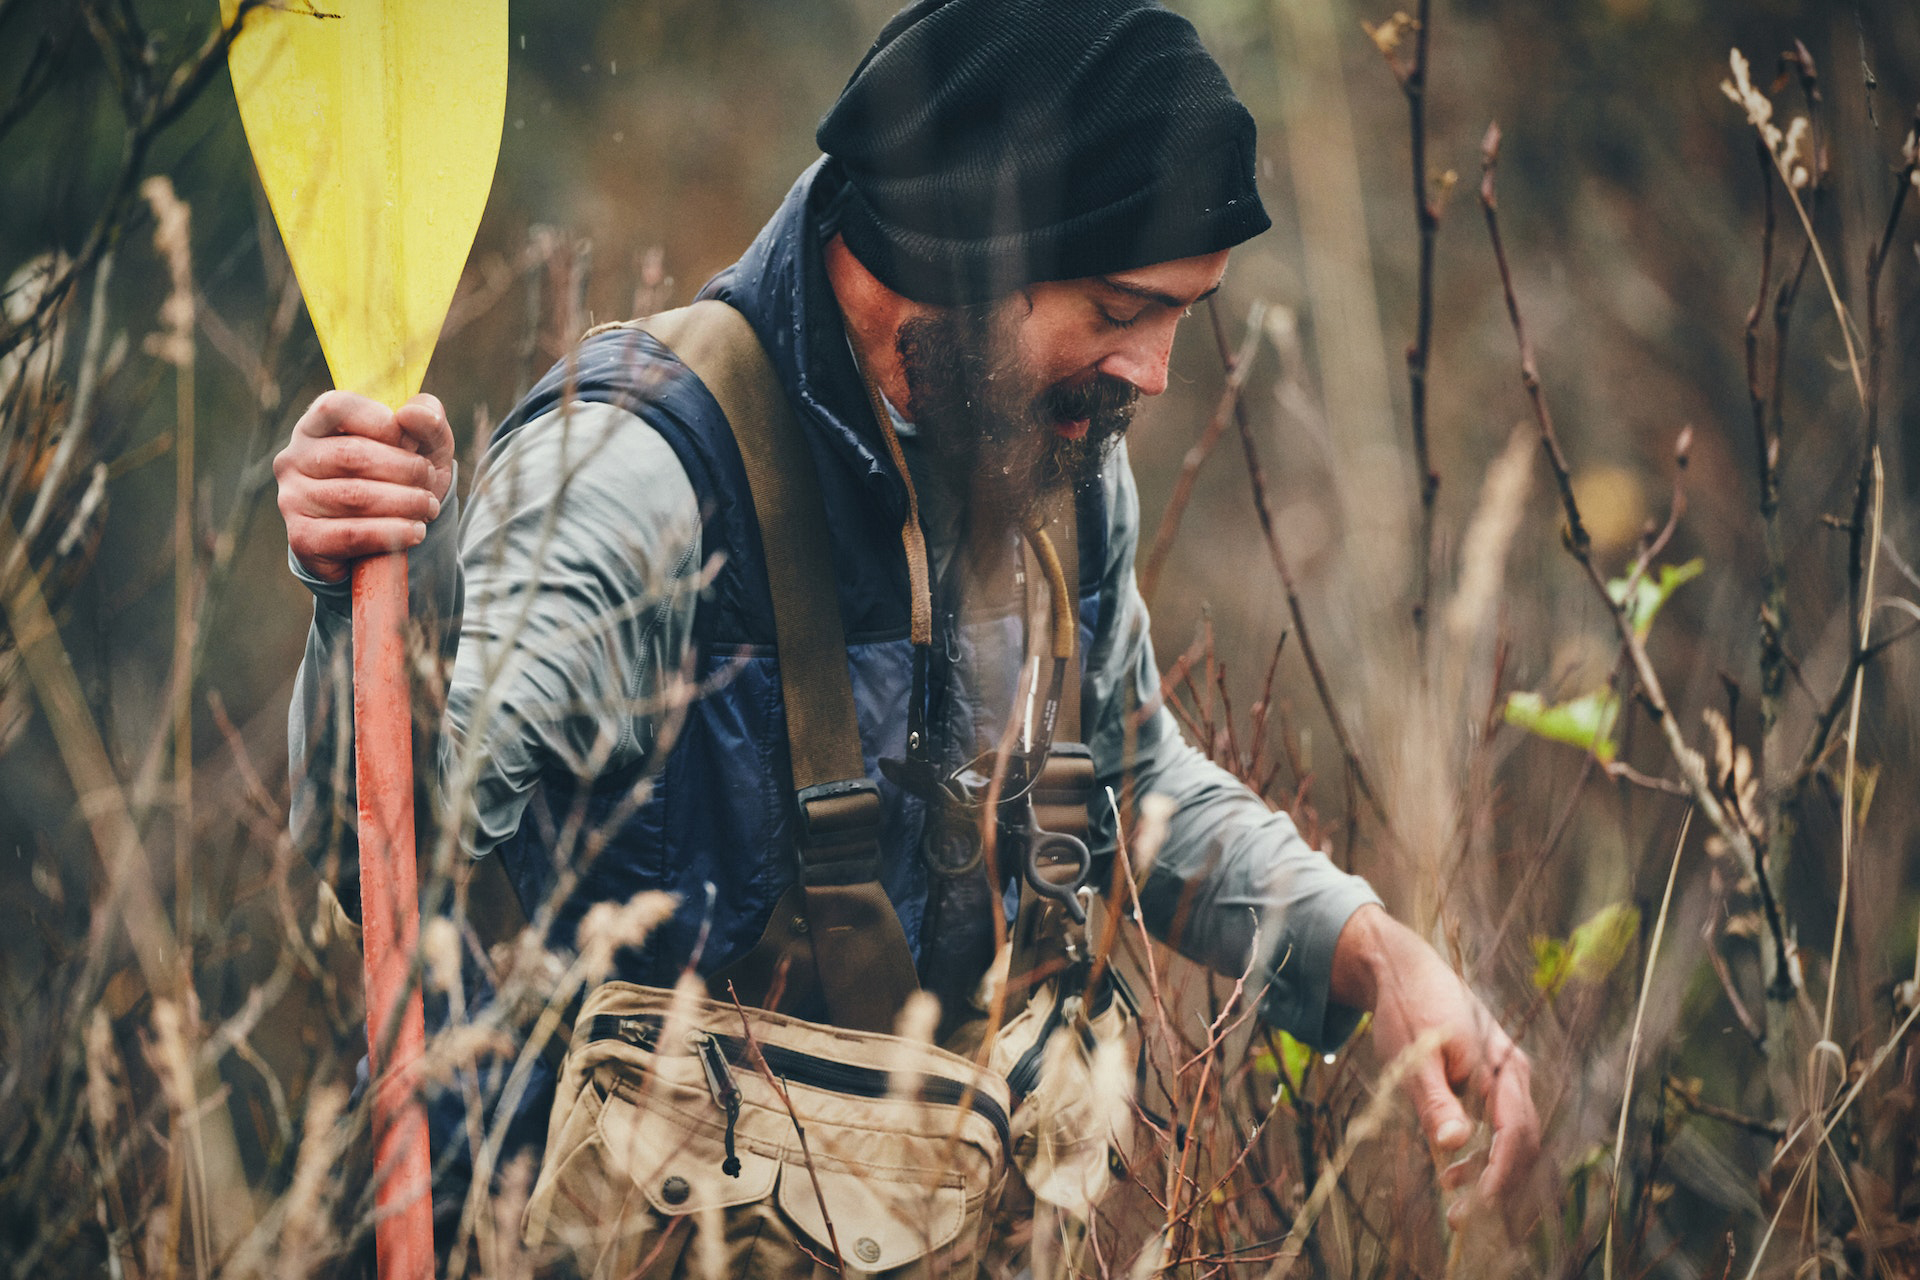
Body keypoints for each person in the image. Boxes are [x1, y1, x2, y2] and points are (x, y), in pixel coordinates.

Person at [276, 0, 1538, 1257]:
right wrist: (362, 600)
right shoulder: (634, 473)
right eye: (1116, 308)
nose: (1152, 372)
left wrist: (1370, 951)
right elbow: (392, 855)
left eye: (1179, 317)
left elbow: (1131, 782)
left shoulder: (1055, 444)